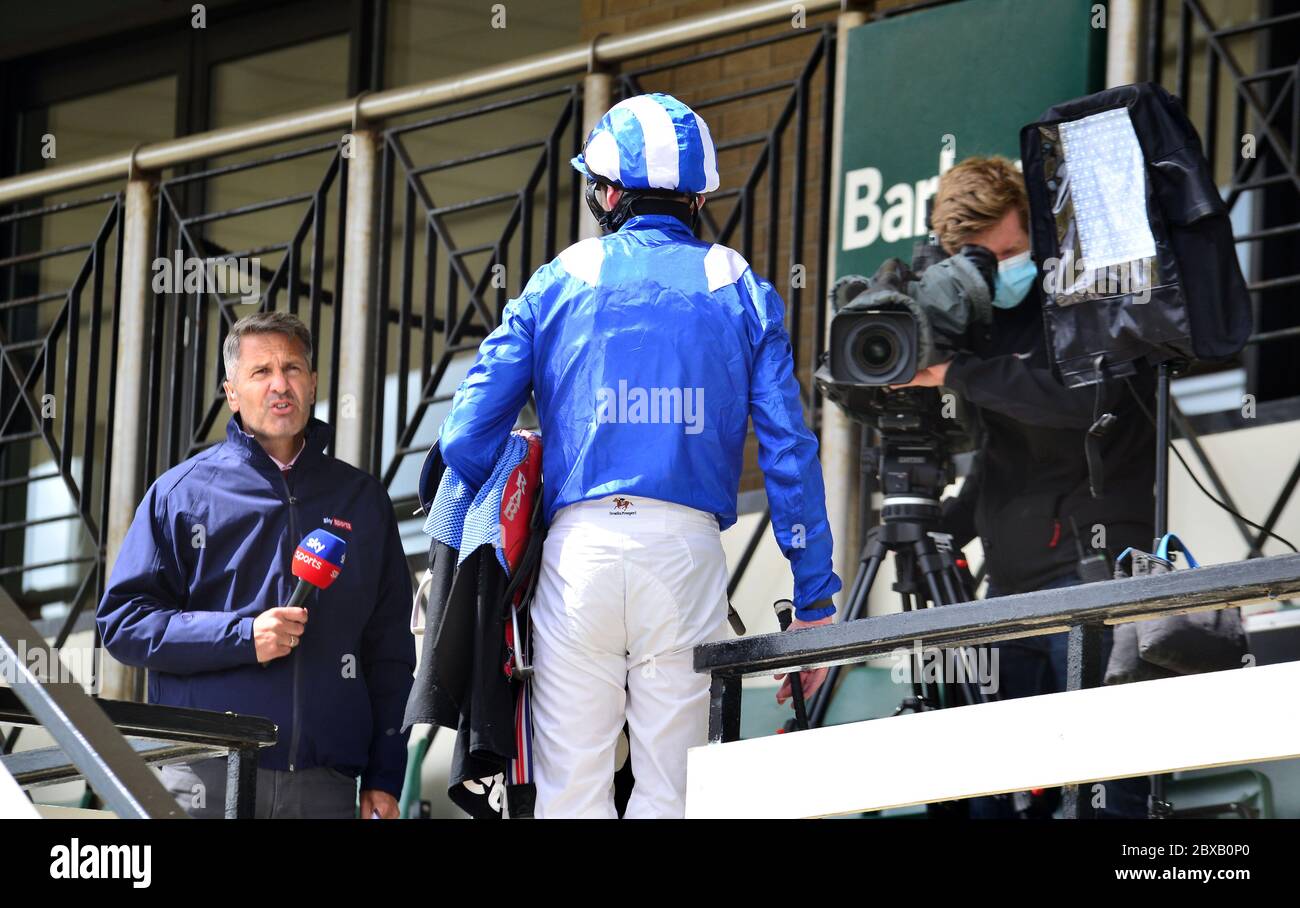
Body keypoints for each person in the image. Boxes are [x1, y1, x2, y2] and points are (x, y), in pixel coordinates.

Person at [436, 92, 841, 818]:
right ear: (697, 193)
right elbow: (789, 452)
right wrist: (813, 601)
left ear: (611, 192)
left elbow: (464, 437)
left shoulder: (559, 277)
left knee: (570, 793)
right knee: (672, 793)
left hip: (579, 555)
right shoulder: (741, 283)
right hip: (684, 557)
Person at [897, 156, 1154, 818]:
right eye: (983, 260)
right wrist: (940, 530)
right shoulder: (981, 322)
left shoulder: (1086, 294)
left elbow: (1083, 406)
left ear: (1036, 228)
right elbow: (1002, 453)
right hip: (1005, 593)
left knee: (1102, 792)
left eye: (1012, 249)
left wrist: (961, 374)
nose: (1004, 267)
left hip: (1088, 574)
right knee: (993, 801)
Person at [97, 311, 415, 819]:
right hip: (202, 774)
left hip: (325, 788)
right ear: (232, 392)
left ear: (312, 385)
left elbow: (391, 653)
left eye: (292, 369)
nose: (279, 384)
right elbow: (123, 625)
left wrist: (384, 775)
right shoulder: (181, 494)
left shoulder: (364, 502)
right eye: (260, 372)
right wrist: (243, 636)